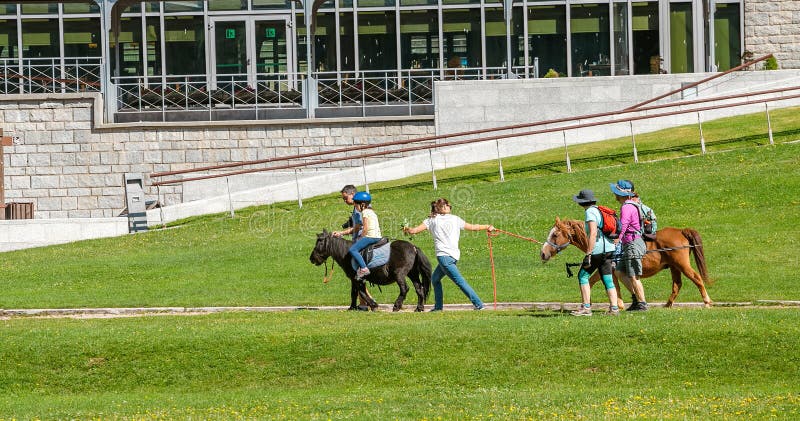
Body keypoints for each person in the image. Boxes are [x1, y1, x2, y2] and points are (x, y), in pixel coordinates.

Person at [403, 198, 493, 311]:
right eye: (449, 205)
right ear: (443, 207)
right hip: (453, 257)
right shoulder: (454, 219)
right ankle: (438, 307)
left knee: (459, 281)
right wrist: (487, 226)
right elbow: (473, 227)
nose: (450, 207)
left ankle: (479, 305)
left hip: (444, 257)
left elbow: (413, 231)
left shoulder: (431, 220)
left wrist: (406, 229)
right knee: (435, 279)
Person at [571, 189, 620, 316]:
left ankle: (586, 308)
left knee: (582, 276)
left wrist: (588, 253)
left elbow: (593, 233)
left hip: (598, 250)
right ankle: (614, 309)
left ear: (582, 202)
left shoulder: (590, 212)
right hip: (609, 249)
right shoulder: (599, 209)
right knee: (608, 278)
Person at [610, 180, 649, 311]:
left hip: (633, 243)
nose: (615, 195)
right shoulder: (631, 205)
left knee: (633, 275)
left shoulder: (627, 207)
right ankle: (636, 299)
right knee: (620, 271)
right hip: (630, 243)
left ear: (621, 194)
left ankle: (642, 304)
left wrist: (617, 241)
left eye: (616, 193)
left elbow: (624, 225)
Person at [333, 184, 373, 307]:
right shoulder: (360, 206)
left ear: (352, 194)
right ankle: (363, 303)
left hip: (361, 240)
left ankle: (369, 300)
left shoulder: (358, 208)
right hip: (362, 239)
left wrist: (341, 233)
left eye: (346, 198)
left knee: (357, 274)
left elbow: (359, 226)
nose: (345, 201)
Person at [344, 191, 381, 280]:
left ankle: (364, 268)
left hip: (370, 237)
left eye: (356, 204)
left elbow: (365, 228)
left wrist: (360, 237)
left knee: (353, 249)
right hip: (377, 236)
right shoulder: (372, 212)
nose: (355, 206)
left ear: (362, 204)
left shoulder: (364, 212)